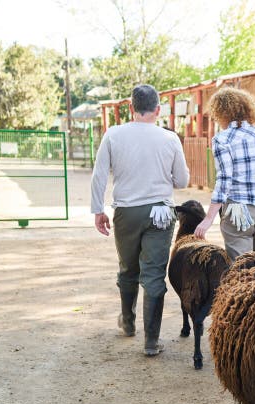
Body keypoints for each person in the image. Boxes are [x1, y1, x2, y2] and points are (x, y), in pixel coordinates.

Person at [91, 84, 190, 356]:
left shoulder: (113, 135)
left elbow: (99, 175)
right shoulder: (170, 139)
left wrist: (98, 210)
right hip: (160, 213)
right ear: (158, 109)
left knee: (128, 269)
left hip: (127, 212)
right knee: (154, 274)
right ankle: (151, 341)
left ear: (131, 108)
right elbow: (182, 180)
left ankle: (128, 323)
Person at [193, 87, 255, 257]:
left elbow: (224, 180)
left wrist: (209, 218)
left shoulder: (222, 139)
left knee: (241, 272)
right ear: (248, 108)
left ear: (220, 112)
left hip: (237, 212)